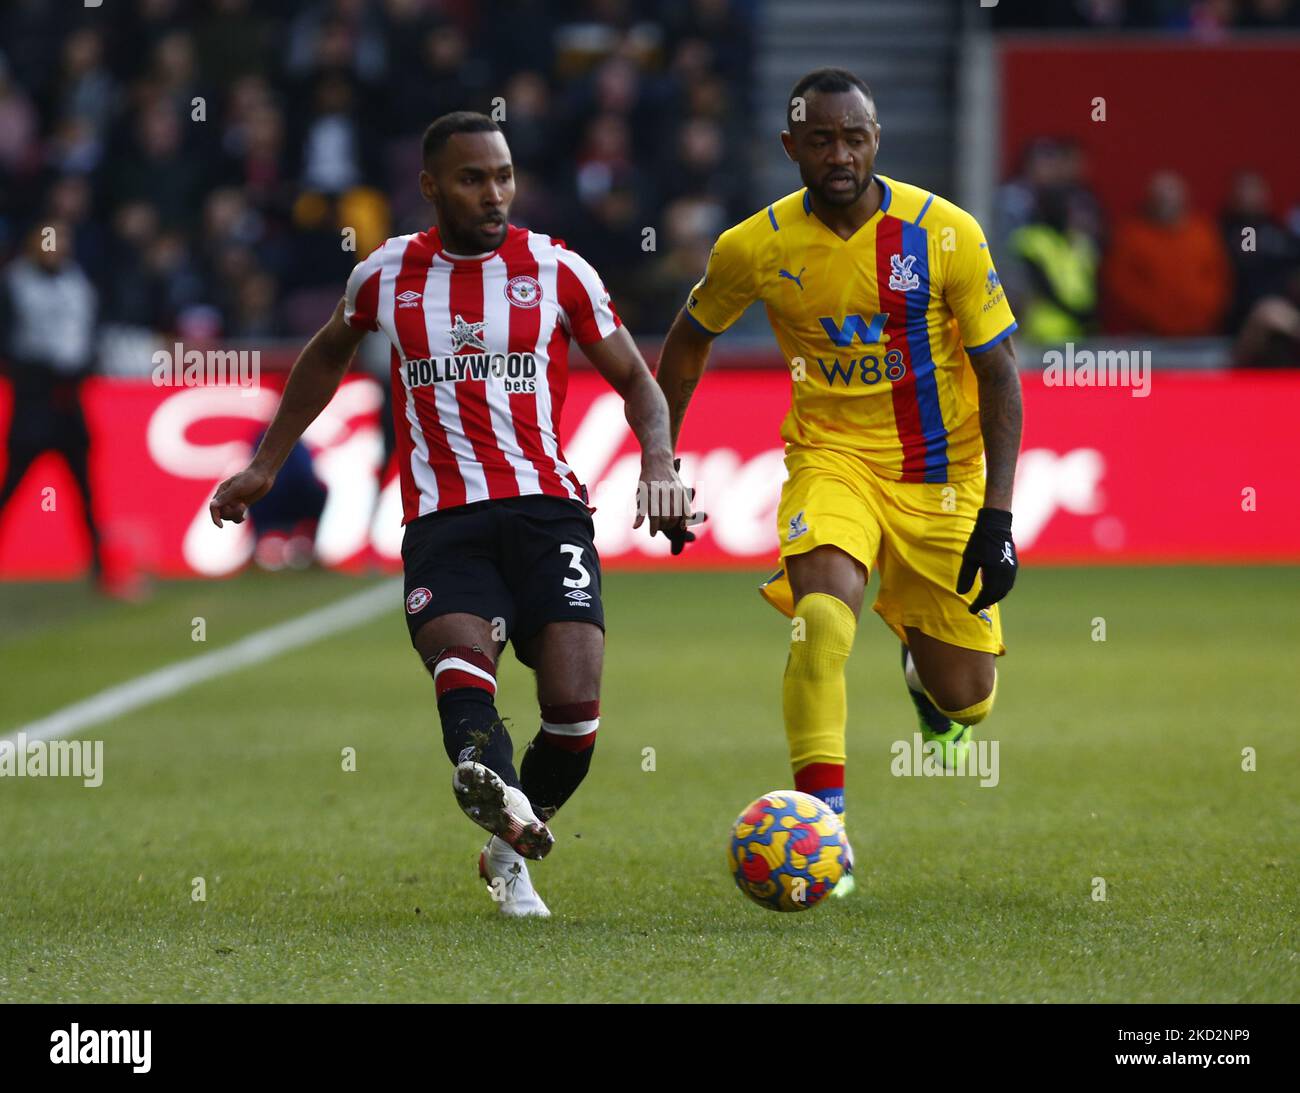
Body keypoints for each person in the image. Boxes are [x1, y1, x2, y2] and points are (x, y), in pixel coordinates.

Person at [210, 112, 691, 917]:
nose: (494, 193)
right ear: (431, 186)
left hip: (548, 513)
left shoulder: (558, 269)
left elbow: (640, 382)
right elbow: (327, 352)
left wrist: (659, 464)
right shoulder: (385, 275)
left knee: (574, 716)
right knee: (462, 665)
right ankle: (488, 780)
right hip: (444, 520)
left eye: (503, 176)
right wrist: (264, 462)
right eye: (473, 179)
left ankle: (506, 845)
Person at [655, 68, 1023, 899]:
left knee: (970, 701)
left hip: (943, 476)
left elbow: (1000, 375)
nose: (839, 153)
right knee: (821, 620)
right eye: (820, 138)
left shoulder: (947, 233)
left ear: (876, 139)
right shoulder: (755, 246)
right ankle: (828, 828)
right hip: (832, 459)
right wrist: (662, 462)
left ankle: (928, 688)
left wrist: (996, 518)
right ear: (791, 147)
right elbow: (686, 342)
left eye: (854, 136)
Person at [0, 221, 104, 585]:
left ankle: (101, 567)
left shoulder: (76, 282)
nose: (55, 247)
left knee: (85, 489)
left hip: (68, 400)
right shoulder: (14, 283)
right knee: (11, 484)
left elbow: (90, 333)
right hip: (34, 399)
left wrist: (84, 365)